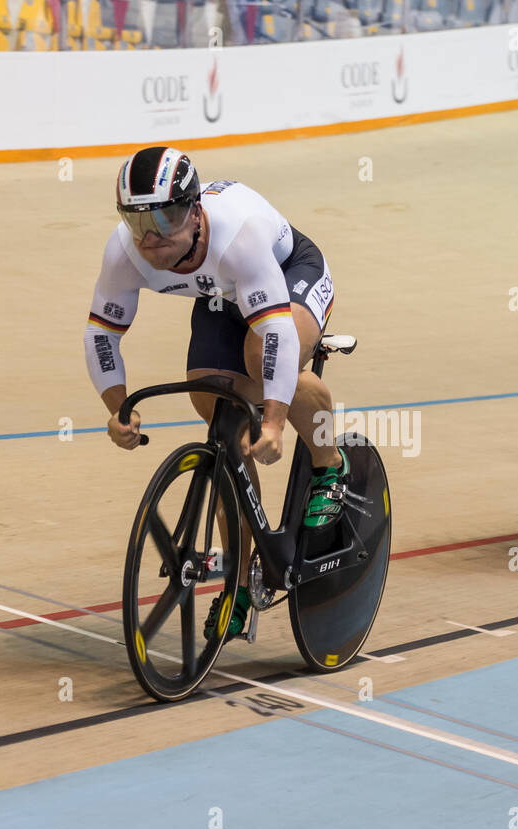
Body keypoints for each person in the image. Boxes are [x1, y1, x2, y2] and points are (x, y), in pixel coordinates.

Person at [84, 145, 346, 638]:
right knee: (216, 411)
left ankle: (330, 463)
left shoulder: (238, 236)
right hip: (222, 294)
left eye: (166, 217)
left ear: (195, 211)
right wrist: (117, 407)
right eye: (139, 222)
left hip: (290, 272)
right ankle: (239, 584)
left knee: (257, 363)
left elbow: (276, 336)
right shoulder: (124, 252)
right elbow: (102, 334)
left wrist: (273, 421)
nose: (152, 237)